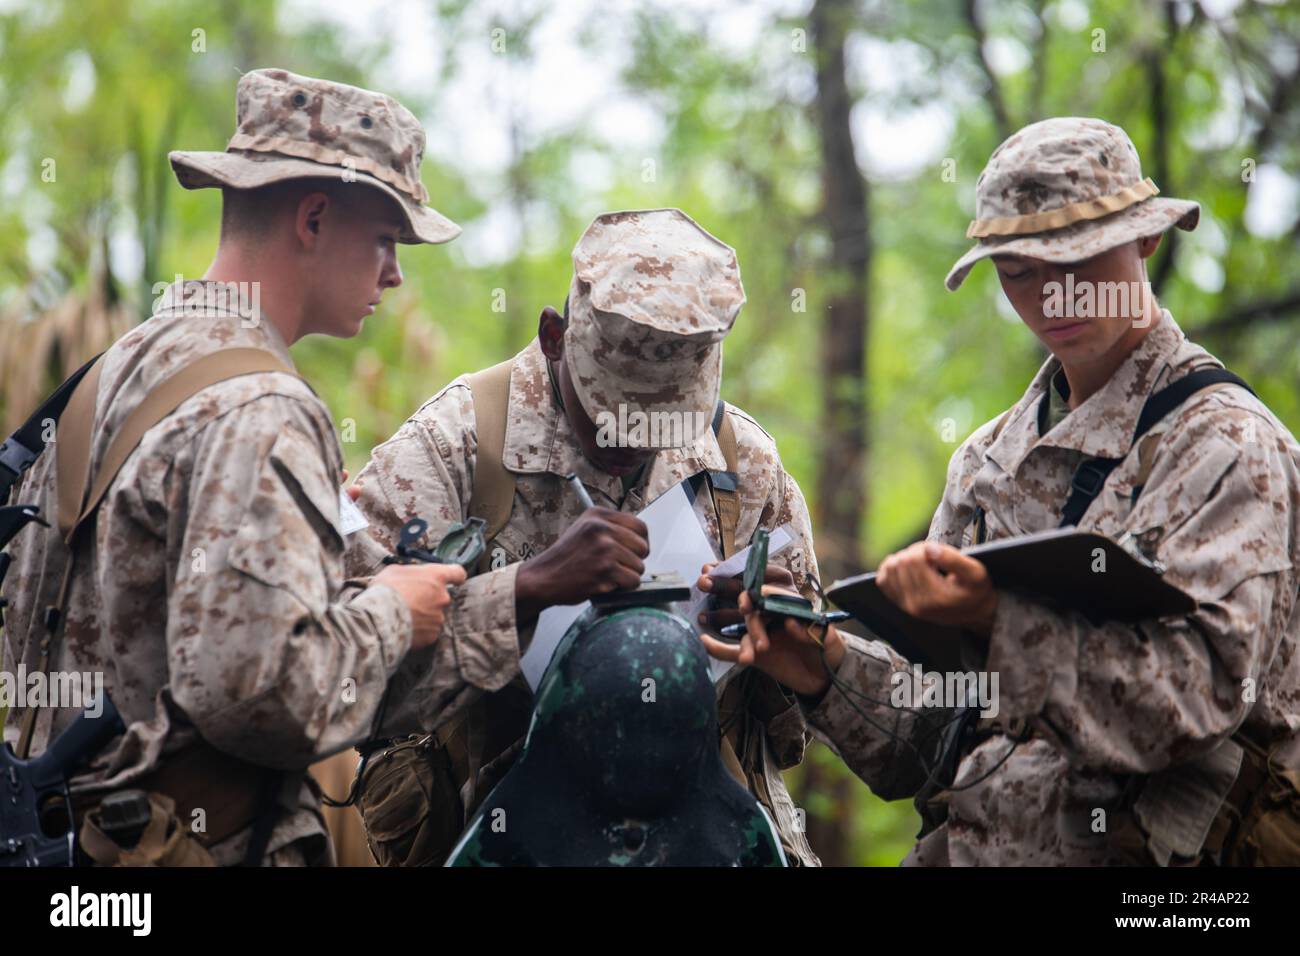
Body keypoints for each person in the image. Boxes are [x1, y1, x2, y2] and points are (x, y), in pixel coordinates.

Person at [704, 117, 1300, 866]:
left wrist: (1000, 619)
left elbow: (1195, 706)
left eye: (1079, 259)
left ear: (1148, 238)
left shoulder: (1227, 449)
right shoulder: (988, 462)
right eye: (1020, 271)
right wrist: (823, 666)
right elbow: (944, 743)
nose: (1057, 295)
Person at [1, 68, 466, 866]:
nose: (394, 275)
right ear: (313, 218)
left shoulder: (121, 365)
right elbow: (261, 695)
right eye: (387, 241)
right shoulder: (260, 407)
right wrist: (393, 608)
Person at [346, 208, 821, 866]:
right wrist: (524, 591)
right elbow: (342, 688)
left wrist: (765, 637)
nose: (633, 444)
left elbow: (803, 721)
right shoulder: (455, 446)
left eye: (664, 425)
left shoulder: (743, 463)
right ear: (553, 336)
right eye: (611, 418)